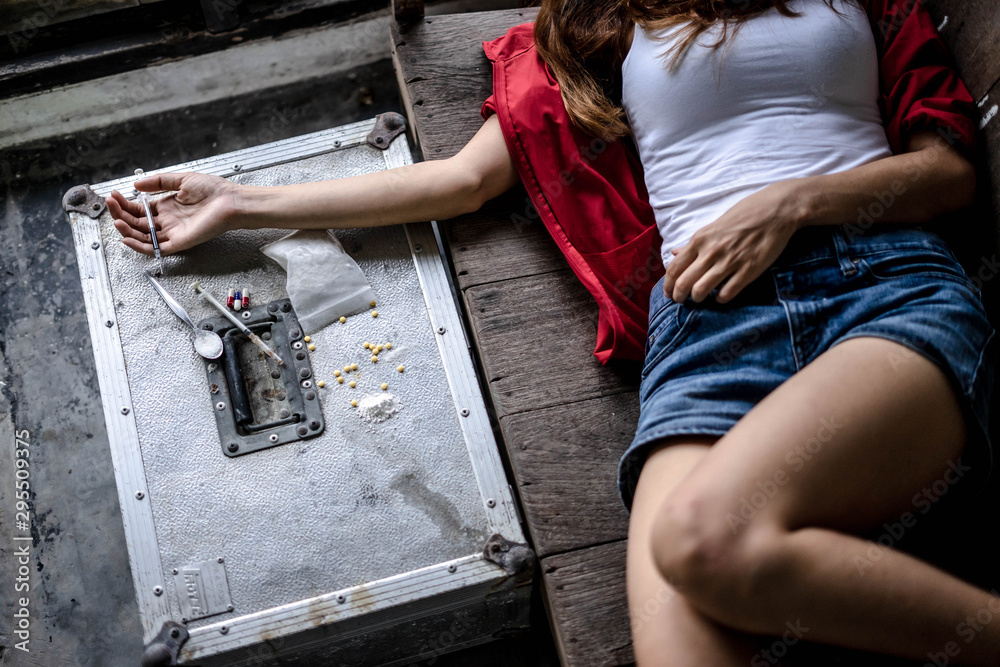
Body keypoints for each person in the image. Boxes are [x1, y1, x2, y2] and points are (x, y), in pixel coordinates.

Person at [106, 0, 999, 664]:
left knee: (700, 543)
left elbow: (948, 171)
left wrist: (791, 202)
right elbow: (460, 181)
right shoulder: (598, 32)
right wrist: (238, 204)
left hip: (871, 285)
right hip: (706, 340)